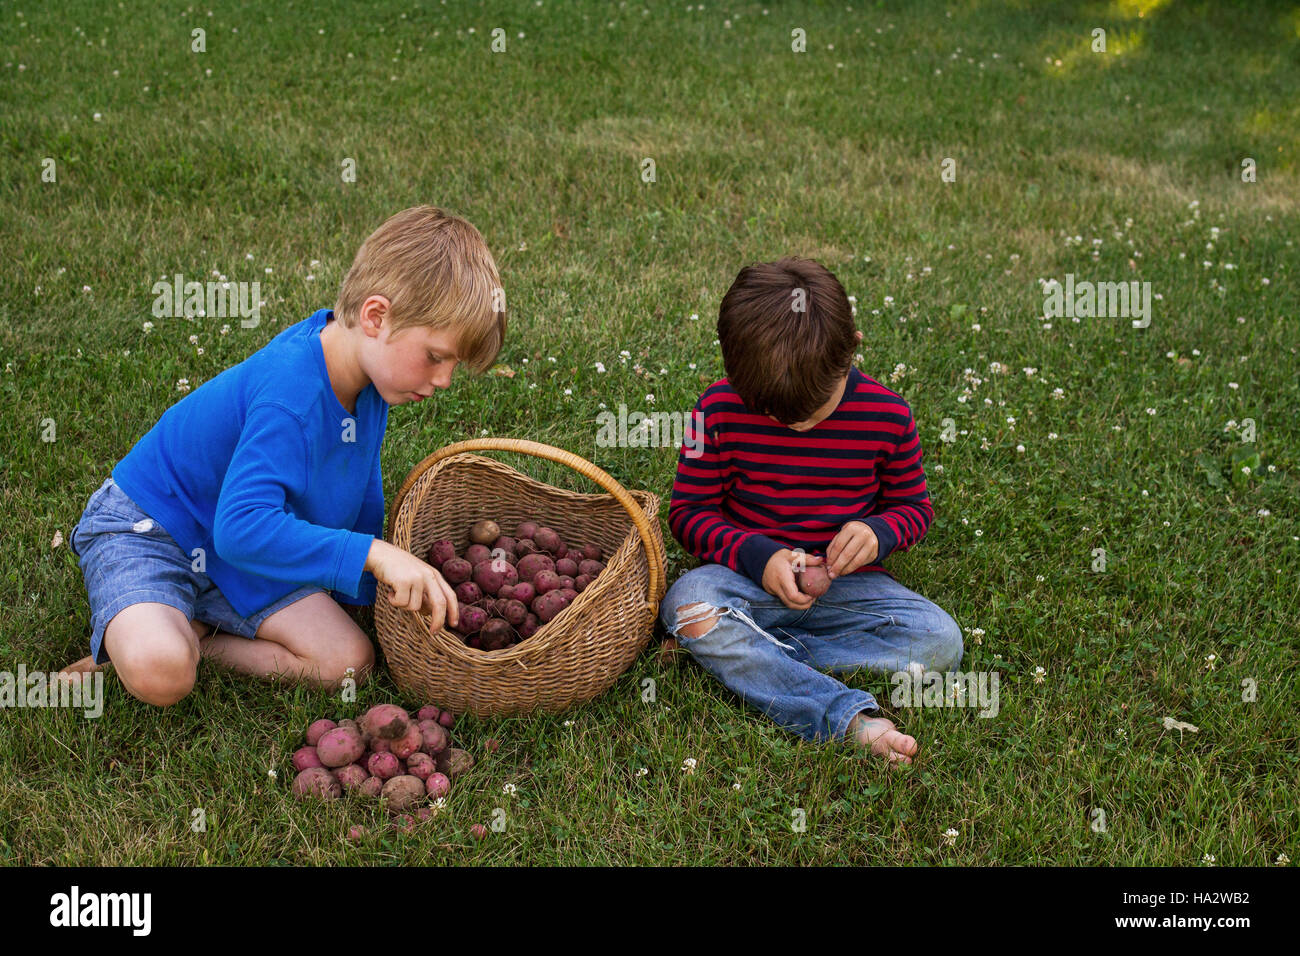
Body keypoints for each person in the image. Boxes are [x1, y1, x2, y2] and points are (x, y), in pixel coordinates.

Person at [60, 206, 504, 706]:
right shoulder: (289, 397)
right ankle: (162, 638)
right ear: (377, 317)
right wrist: (374, 556)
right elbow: (240, 527)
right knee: (163, 675)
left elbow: (357, 484)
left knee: (347, 661)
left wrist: (367, 587)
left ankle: (200, 633)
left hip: (240, 553)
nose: (443, 380)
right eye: (436, 356)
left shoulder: (368, 376)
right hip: (156, 529)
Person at [660, 256, 963, 764]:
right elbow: (688, 512)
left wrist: (878, 532)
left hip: (848, 585)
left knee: (940, 643)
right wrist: (759, 557)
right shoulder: (713, 411)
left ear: (851, 351)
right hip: (747, 584)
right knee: (687, 602)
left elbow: (914, 507)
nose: (796, 428)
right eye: (774, 415)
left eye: (812, 411)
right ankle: (841, 716)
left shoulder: (889, 416)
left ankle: (754, 656)